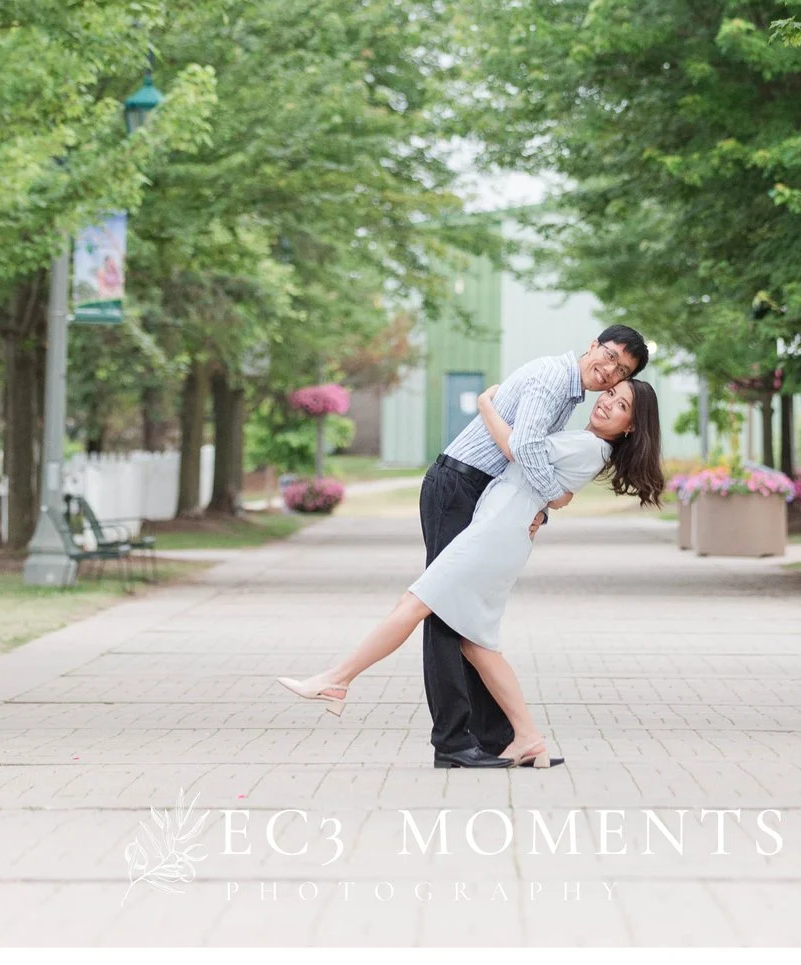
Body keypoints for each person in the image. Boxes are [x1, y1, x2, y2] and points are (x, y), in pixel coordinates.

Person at [274, 373, 664, 765]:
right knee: (476, 643)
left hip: (495, 534)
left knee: (414, 604)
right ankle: (528, 738)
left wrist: (485, 407)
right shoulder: (589, 447)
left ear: (631, 426)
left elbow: (518, 450)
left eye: (622, 405)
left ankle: (337, 679)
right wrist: (546, 507)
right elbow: (556, 491)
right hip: (499, 530)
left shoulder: (588, 447)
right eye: (611, 393)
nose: (607, 402)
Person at [413, 327, 645, 767]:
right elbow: (525, 450)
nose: (610, 371)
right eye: (610, 355)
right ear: (593, 344)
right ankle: (452, 743)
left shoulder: (571, 395)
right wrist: (555, 497)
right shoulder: (552, 378)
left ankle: (495, 738)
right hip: (457, 483)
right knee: (444, 613)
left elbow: (535, 460)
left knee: (464, 616)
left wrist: (543, 506)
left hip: (480, 490)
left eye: (621, 371)